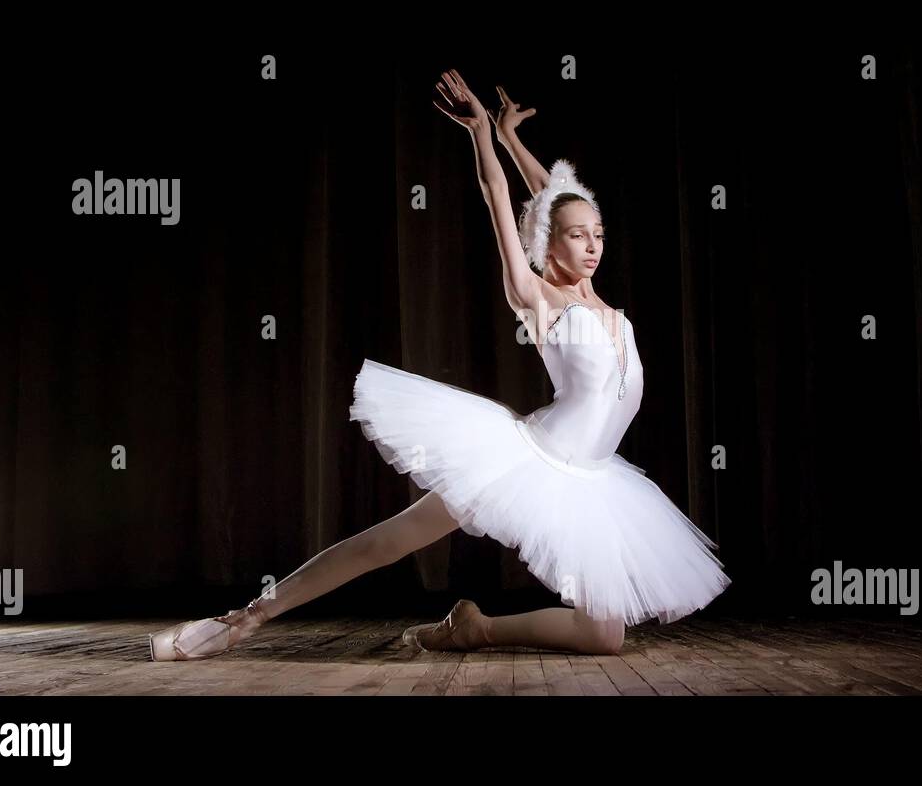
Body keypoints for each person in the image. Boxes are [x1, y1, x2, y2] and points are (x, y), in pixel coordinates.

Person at [149, 69, 730, 661]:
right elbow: (502, 196)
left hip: (596, 479)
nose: (592, 246)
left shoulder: (596, 297)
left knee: (603, 635)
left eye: (598, 235)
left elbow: (552, 197)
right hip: (527, 461)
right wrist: (482, 136)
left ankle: (475, 628)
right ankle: (243, 619)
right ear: (547, 243)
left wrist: (512, 138)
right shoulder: (537, 298)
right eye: (578, 237)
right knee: (391, 541)